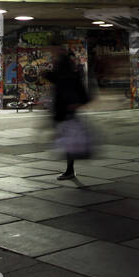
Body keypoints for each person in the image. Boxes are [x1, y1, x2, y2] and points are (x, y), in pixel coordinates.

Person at [45, 49, 90, 180]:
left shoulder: (70, 75)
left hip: (67, 113)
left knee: (69, 141)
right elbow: (56, 79)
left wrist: (74, 104)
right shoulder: (67, 74)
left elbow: (84, 96)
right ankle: (70, 169)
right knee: (67, 141)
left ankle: (70, 169)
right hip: (63, 113)